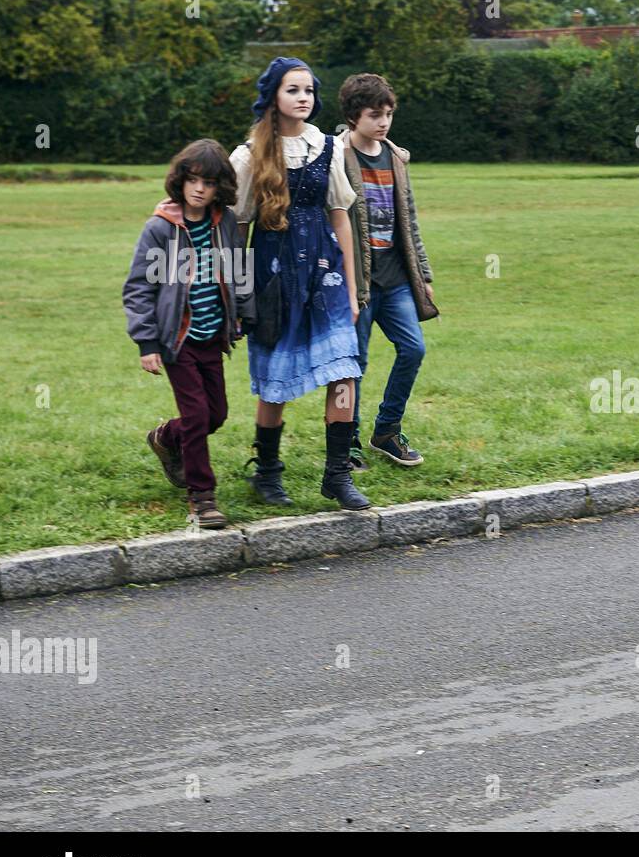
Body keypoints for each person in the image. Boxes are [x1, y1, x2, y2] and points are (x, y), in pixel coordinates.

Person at [229, 57, 370, 510]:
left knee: (344, 369)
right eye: (293, 90)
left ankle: (336, 475)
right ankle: (267, 474)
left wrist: (351, 289)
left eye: (309, 90)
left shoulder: (327, 147)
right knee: (275, 380)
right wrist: (236, 291)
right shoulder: (250, 154)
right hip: (274, 275)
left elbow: (341, 218)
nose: (304, 98)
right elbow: (237, 228)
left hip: (325, 272)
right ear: (274, 96)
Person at [122, 138, 251, 528]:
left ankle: (165, 438)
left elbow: (238, 269)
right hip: (176, 339)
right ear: (180, 180)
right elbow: (139, 286)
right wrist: (147, 342)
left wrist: (241, 316)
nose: (199, 189)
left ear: (220, 187)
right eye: (193, 180)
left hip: (213, 336)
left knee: (216, 415)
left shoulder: (223, 222)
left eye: (209, 183)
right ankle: (202, 496)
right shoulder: (161, 228)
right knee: (196, 415)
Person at [334, 72, 438, 470]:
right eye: (375, 114)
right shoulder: (336, 157)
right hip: (356, 282)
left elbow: (409, 221)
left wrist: (423, 277)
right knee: (353, 364)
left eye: (389, 113)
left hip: (395, 280)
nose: (384, 122)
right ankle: (348, 442)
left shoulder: (396, 156)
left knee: (413, 349)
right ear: (353, 115)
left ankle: (387, 431)